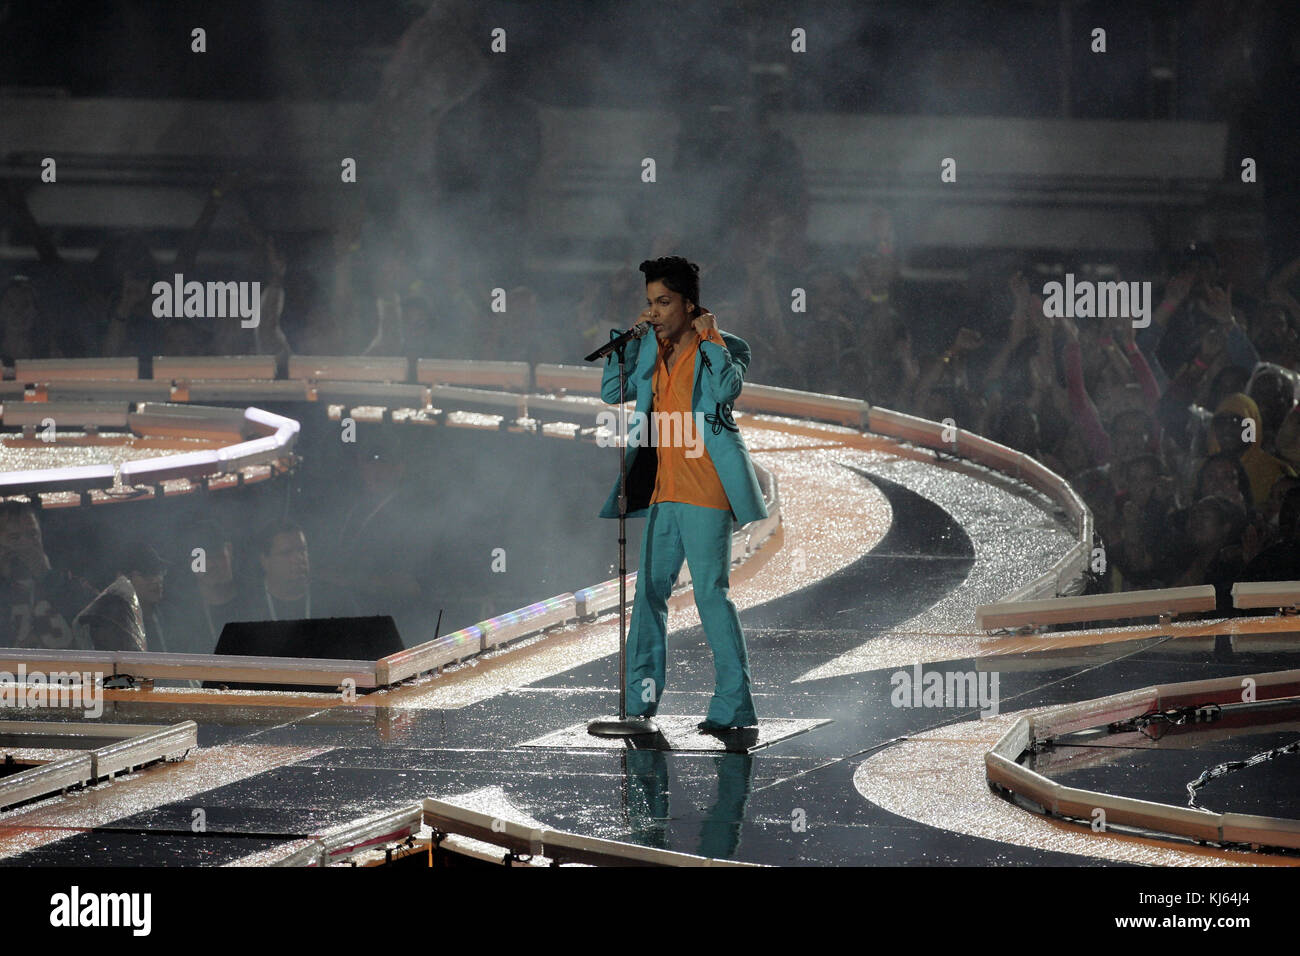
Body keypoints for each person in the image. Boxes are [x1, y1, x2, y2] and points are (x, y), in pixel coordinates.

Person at [598, 255, 768, 732]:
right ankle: (640, 704)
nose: (654, 310)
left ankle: (735, 706)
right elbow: (615, 394)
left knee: (711, 594)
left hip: (706, 487)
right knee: (649, 593)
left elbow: (726, 389)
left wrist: (710, 335)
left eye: (664, 301)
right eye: (650, 301)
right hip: (664, 489)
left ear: (689, 303)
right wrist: (623, 348)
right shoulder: (651, 347)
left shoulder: (725, 347)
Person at [0, 501, 97, 650]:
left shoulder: (66, 582)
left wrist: (48, 577)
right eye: (14, 537)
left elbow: (97, 617)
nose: (26, 543)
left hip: (66, 672)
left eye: (33, 534)